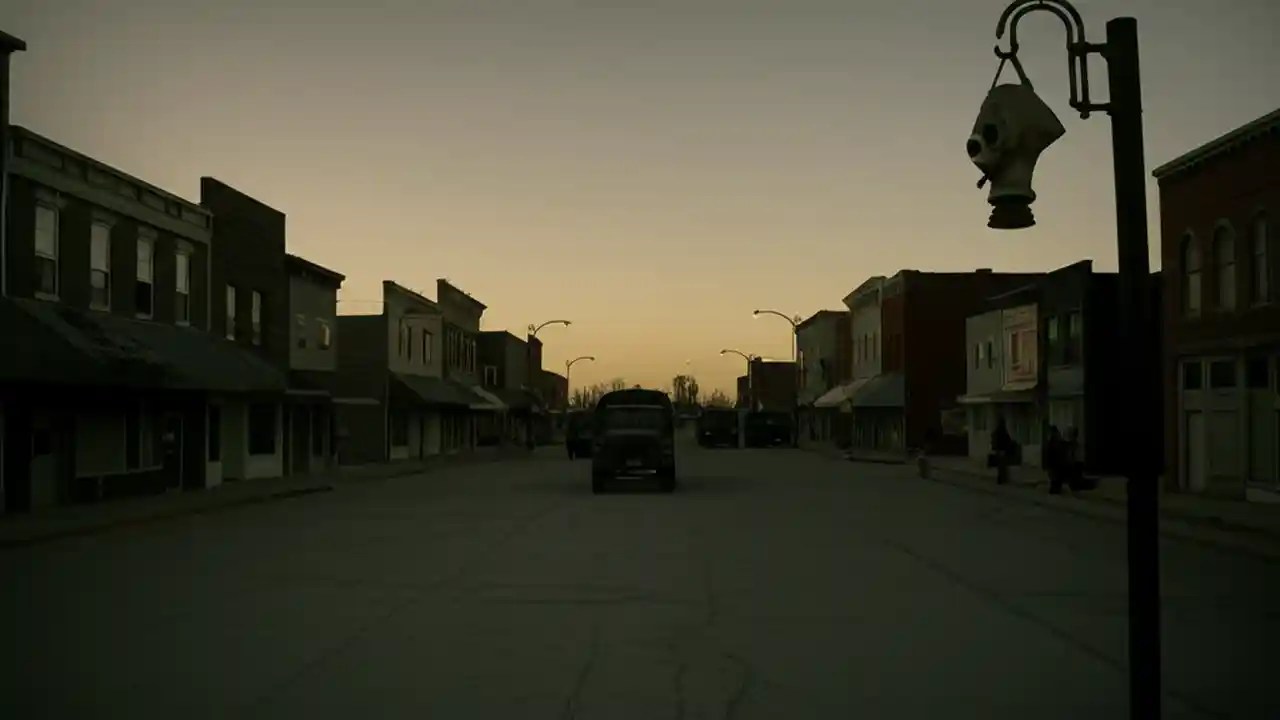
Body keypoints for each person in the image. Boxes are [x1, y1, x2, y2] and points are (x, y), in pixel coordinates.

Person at [990, 416, 1014, 485]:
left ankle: (1000, 479)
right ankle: (1002, 479)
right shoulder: (1003, 431)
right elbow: (1007, 440)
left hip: (999, 449)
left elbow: (994, 438)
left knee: (1000, 466)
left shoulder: (997, 430)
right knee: (1002, 465)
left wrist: (994, 448)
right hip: (1002, 449)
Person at [1045, 425, 1065, 494]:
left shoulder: (1054, 441)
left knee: (1055, 479)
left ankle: (1055, 491)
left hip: (1055, 463)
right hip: (1056, 463)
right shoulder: (1057, 440)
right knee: (1055, 479)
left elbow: (1050, 452)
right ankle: (1056, 490)